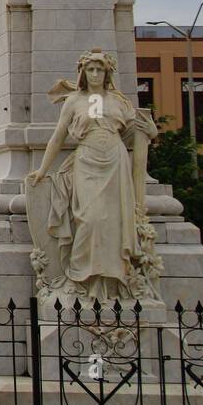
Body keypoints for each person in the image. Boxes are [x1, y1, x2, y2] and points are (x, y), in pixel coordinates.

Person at [25, 48, 159, 301]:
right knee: (89, 218)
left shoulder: (119, 102)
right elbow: (58, 136)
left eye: (100, 69)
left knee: (113, 223)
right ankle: (80, 278)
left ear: (107, 73)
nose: (95, 74)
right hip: (87, 161)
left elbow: (134, 132)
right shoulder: (74, 101)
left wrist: (152, 132)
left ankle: (112, 284)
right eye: (90, 69)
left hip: (115, 162)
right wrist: (42, 170)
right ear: (83, 73)